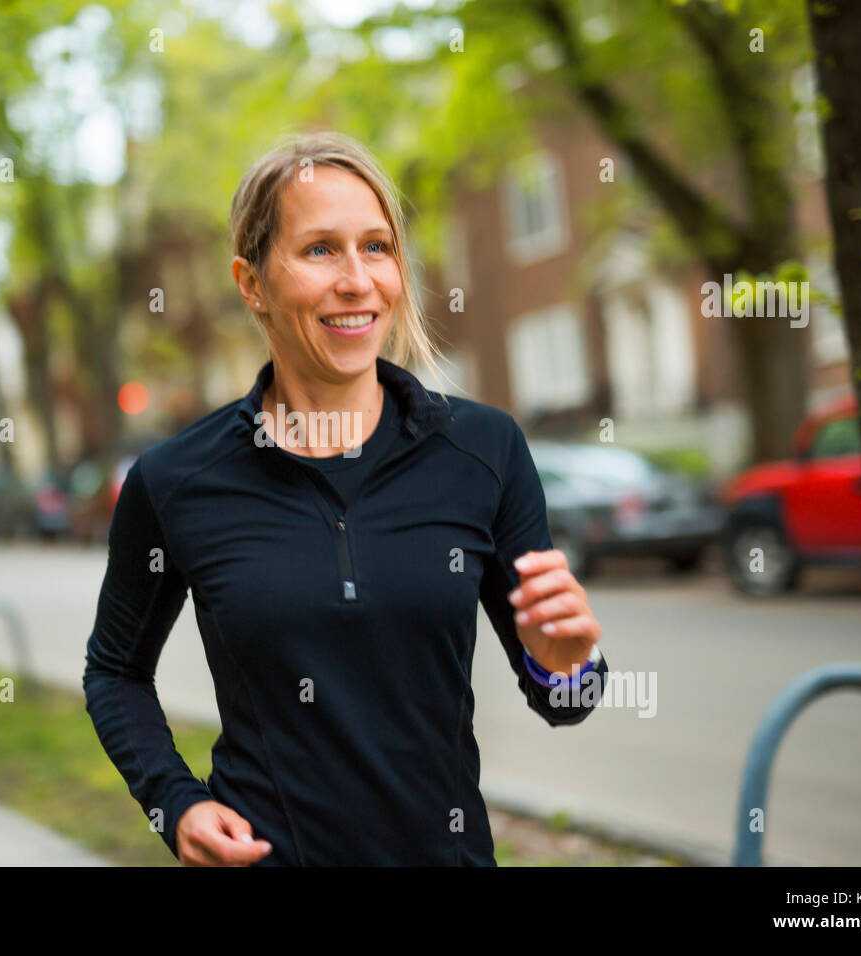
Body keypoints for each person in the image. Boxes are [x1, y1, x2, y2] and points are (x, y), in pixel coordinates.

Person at [83, 130, 608, 866]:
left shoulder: (484, 453)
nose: (359, 279)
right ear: (252, 282)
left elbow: (566, 703)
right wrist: (175, 801)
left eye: (378, 247)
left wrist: (566, 666)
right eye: (321, 249)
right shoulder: (176, 480)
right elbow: (114, 671)